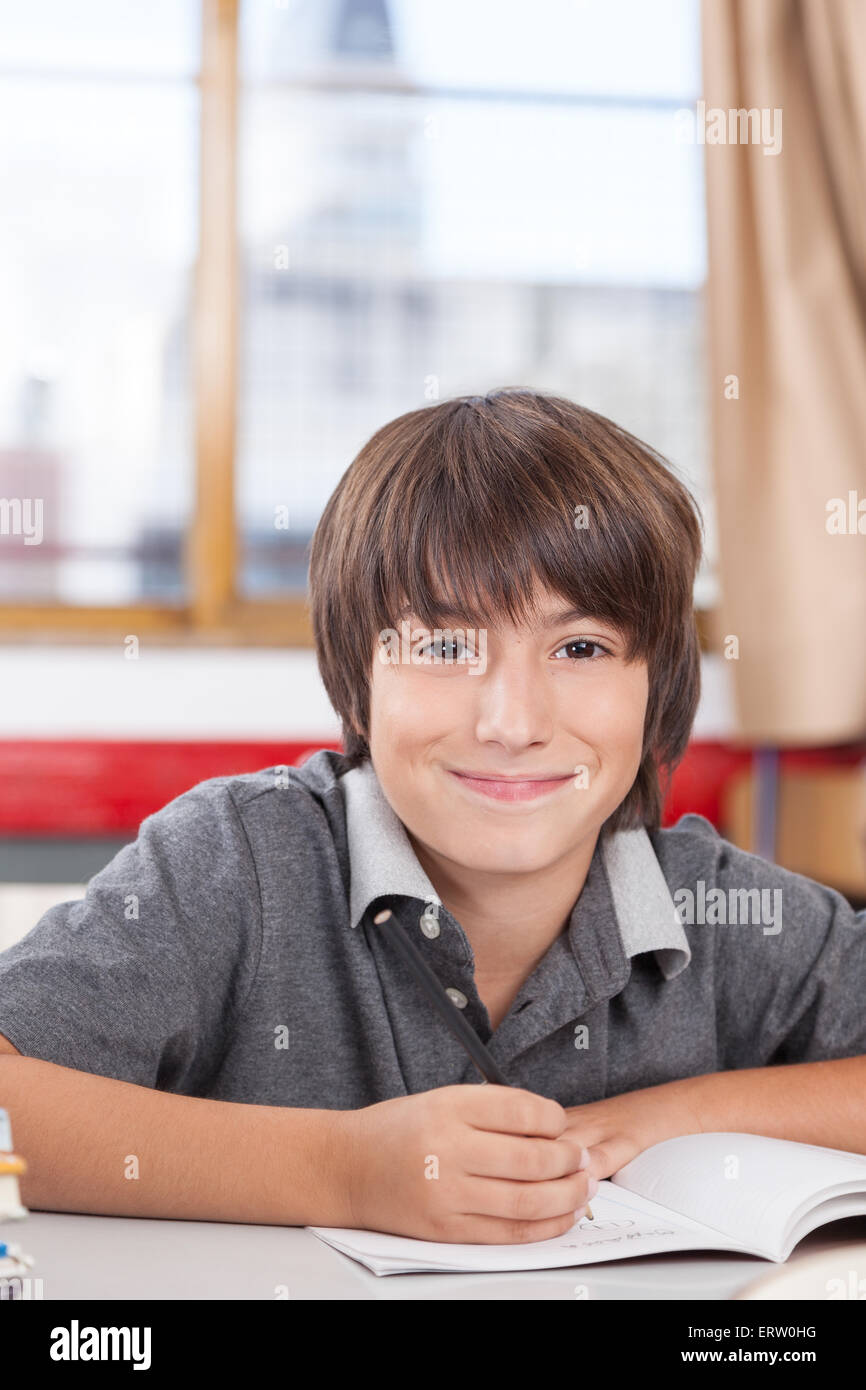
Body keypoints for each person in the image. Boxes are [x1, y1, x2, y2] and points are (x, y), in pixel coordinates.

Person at [1, 388, 864, 1245]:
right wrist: (345, 1169)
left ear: (659, 689)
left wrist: (667, 1116)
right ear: (357, 681)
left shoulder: (722, 910)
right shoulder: (238, 863)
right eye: (445, 647)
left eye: (581, 648)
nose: (514, 723)